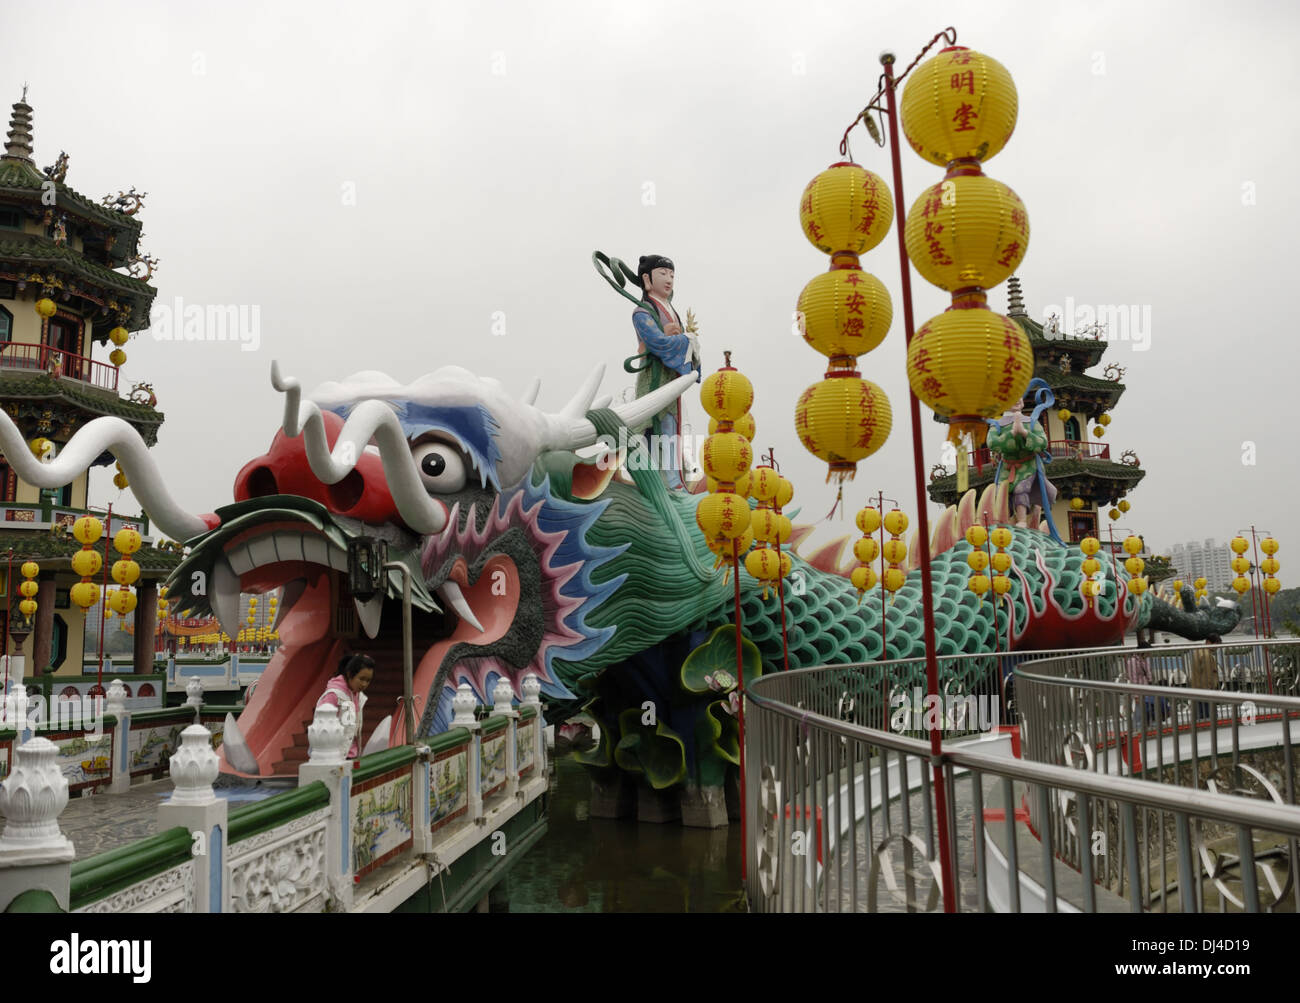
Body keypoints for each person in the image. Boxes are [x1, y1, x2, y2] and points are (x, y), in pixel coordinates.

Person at [629, 255, 701, 490]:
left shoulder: (673, 311)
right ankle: (659, 482)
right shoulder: (642, 312)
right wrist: (681, 340)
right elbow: (657, 342)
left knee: (673, 429)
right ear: (647, 279)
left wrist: (687, 342)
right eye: (663, 273)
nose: (669, 279)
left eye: (672, 275)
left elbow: (673, 340)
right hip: (654, 379)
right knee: (652, 429)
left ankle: (673, 480)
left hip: (672, 381)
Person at [317, 653, 376, 759]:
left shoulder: (358, 696)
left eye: (368, 680)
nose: (364, 684)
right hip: (332, 758)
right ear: (349, 674)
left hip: (351, 755)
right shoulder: (333, 695)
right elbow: (320, 727)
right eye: (361, 679)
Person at [1189, 635, 1221, 723]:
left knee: (1200, 711)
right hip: (1205, 687)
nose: (1217, 648)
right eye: (1216, 645)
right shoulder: (1207, 655)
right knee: (1208, 713)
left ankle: (1201, 724)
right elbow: (1208, 674)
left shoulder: (1198, 651)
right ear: (1208, 642)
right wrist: (1210, 687)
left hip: (1197, 686)